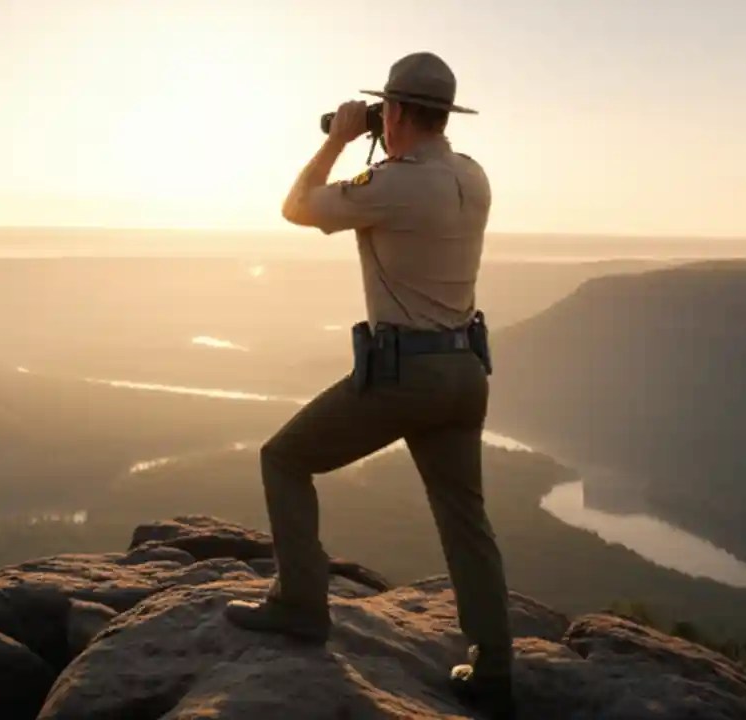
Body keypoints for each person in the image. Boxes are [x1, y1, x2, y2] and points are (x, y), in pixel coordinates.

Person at [223, 52, 516, 718]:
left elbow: (297, 207)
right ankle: (495, 669)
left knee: (285, 458)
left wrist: (336, 140)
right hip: (467, 371)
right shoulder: (472, 176)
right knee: (466, 521)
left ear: (399, 111)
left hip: (406, 371)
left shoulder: (398, 182)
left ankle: (299, 604)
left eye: (384, 109)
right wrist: (378, 139)